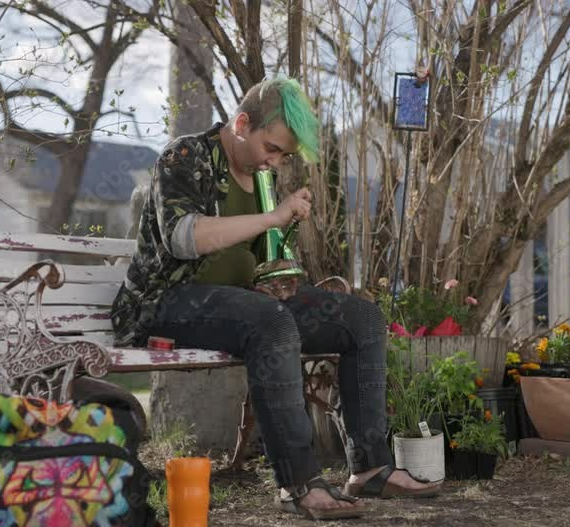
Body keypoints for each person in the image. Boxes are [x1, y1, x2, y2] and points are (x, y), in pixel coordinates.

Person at [110, 76, 440, 520]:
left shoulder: (261, 178)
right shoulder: (185, 155)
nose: (276, 160)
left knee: (362, 318)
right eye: (273, 148)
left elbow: (263, 257)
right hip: (167, 301)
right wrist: (272, 216)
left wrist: (281, 251)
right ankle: (299, 482)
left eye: (284, 154)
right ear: (242, 123)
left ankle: (370, 467)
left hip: (242, 303)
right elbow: (184, 238)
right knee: (270, 321)